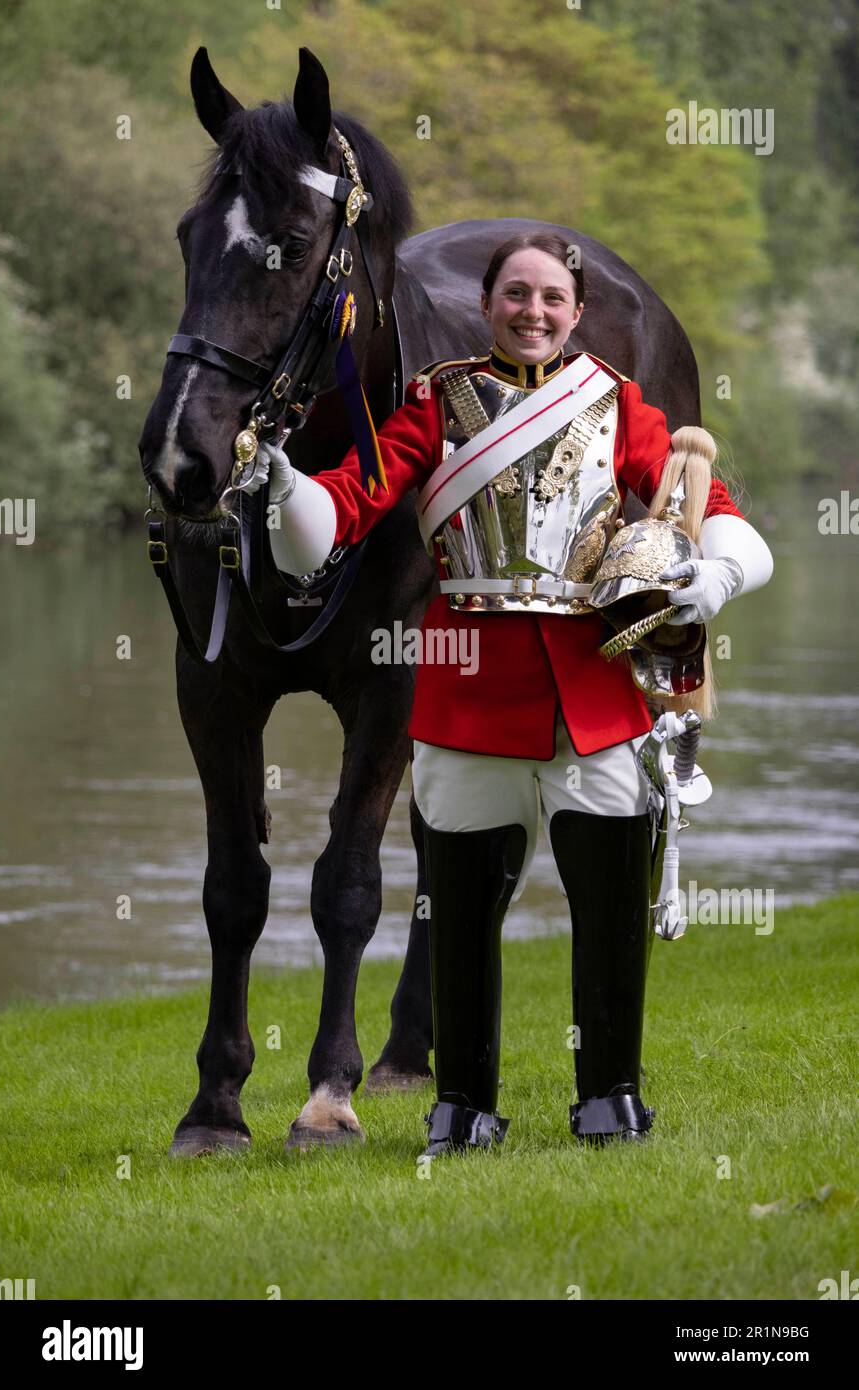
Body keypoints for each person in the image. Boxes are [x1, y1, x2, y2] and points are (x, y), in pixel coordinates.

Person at [244, 232, 773, 1155]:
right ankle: (464, 1108)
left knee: (608, 912)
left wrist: (711, 579)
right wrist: (287, 485)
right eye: (516, 294)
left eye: (552, 298)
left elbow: (717, 514)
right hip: (465, 696)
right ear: (487, 304)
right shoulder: (430, 405)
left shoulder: (619, 405)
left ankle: (610, 1098)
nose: (533, 311)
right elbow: (339, 513)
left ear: (576, 311)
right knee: (458, 917)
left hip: (594, 695)